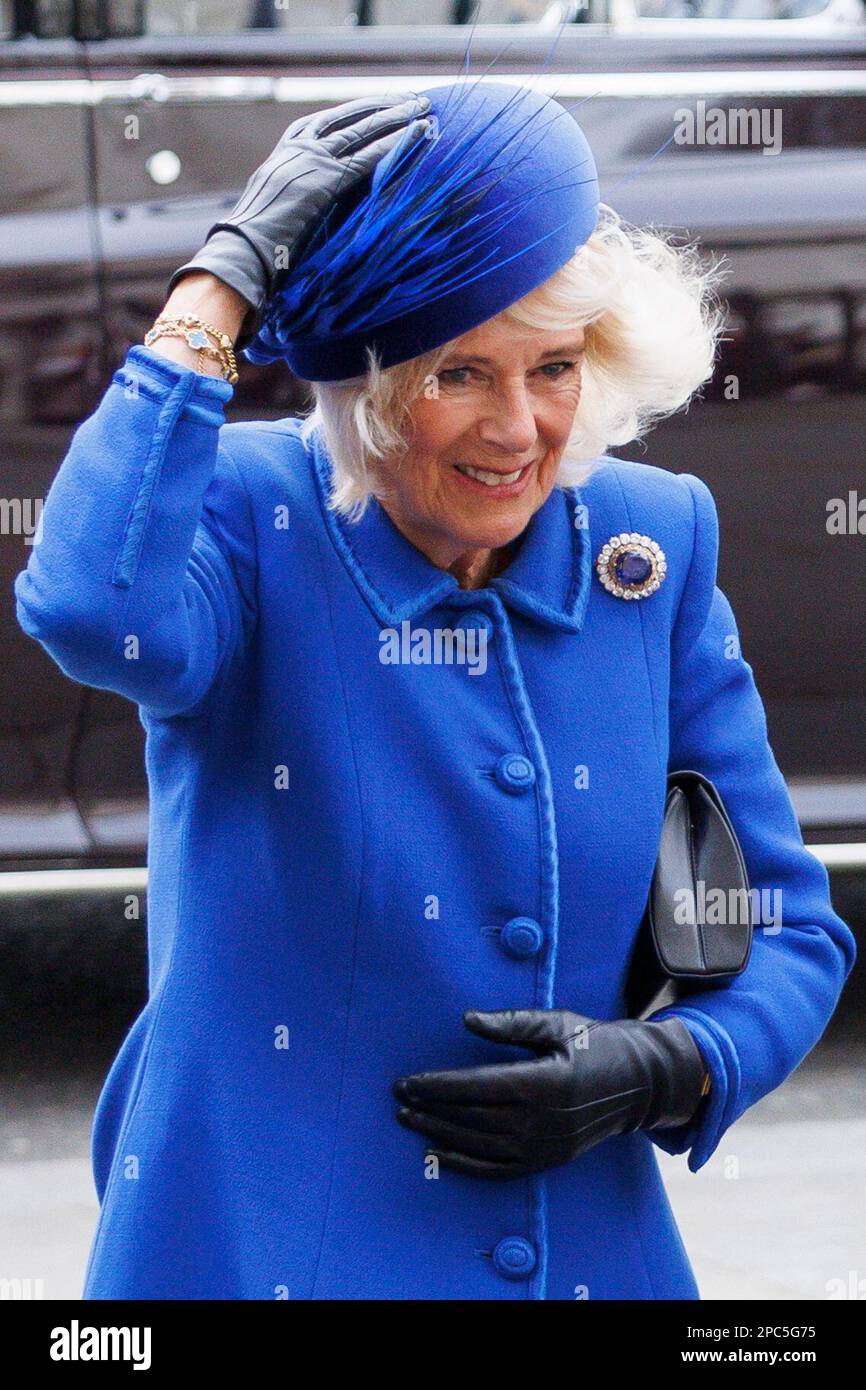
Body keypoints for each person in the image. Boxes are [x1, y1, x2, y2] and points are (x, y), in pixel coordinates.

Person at [15, 80, 855, 1300]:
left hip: (572, 1250)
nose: (520, 429)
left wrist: (667, 1063)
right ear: (365, 390)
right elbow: (90, 609)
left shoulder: (647, 542)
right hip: (257, 1244)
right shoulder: (256, 519)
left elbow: (782, 921)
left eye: (555, 368)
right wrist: (223, 282)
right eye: (459, 372)